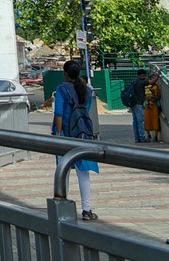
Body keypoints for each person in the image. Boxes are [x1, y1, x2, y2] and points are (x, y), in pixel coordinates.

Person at [52, 59, 100, 221]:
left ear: (66, 74)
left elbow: (58, 113)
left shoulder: (62, 89)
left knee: (63, 170)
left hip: (65, 134)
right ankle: (86, 209)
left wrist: (58, 133)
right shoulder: (87, 90)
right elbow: (85, 111)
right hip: (82, 133)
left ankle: (62, 206)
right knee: (83, 171)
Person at [125, 69, 149, 142]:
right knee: (141, 121)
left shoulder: (135, 82)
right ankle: (143, 137)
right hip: (138, 103)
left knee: (135, 121)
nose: (144, 77)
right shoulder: (142, 82)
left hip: (133, 103)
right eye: (143, 76)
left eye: (144, 76)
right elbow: (151, 82)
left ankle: (137, 138)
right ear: (139, 75)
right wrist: (157, 75)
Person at [144, 72, 162, 143]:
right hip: (147, 105)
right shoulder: (146, 86)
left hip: (153, 104)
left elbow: (158, 96)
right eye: (152, 78)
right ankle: (148, 135)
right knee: (147, 120)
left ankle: (156, 136)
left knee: (155, 119)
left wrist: (153, 97)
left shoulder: (157, 87)